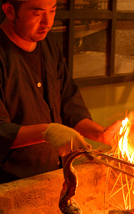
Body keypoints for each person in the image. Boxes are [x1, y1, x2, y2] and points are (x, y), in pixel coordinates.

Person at [0, 0, 121, 183]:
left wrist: (101, 133)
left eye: (53, 10)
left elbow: (67, 102)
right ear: (9, 11)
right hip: (10, 183)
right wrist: (48, 131)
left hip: (52, 175)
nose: (47, 22)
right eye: (37, 13)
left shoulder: (48, 44)